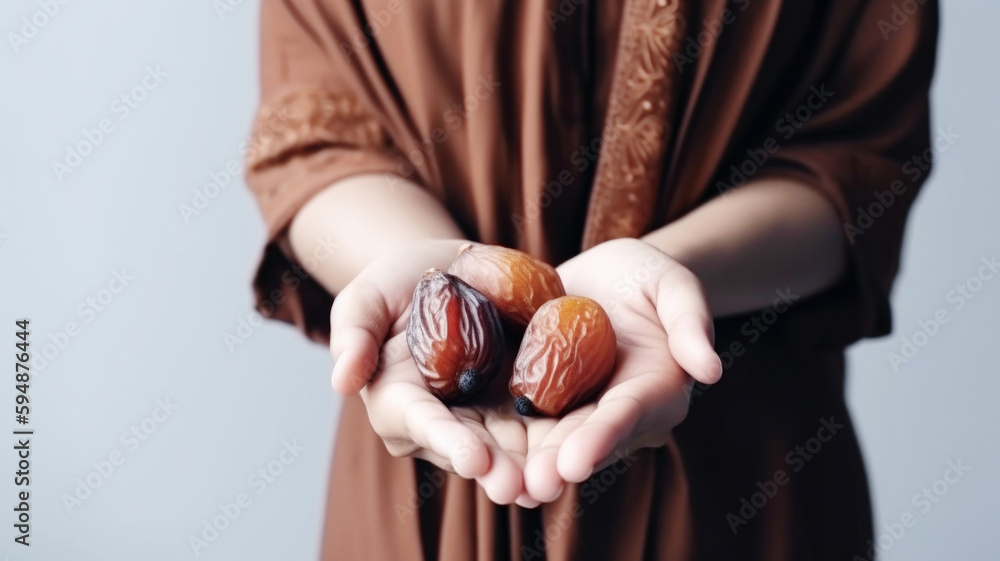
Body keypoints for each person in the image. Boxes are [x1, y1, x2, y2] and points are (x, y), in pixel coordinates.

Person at [244, 0, 939, 558]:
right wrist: (424, 264)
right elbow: (314, 138)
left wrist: (676, 276)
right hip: (425, 487)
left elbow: (861, 161)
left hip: (737, 481)